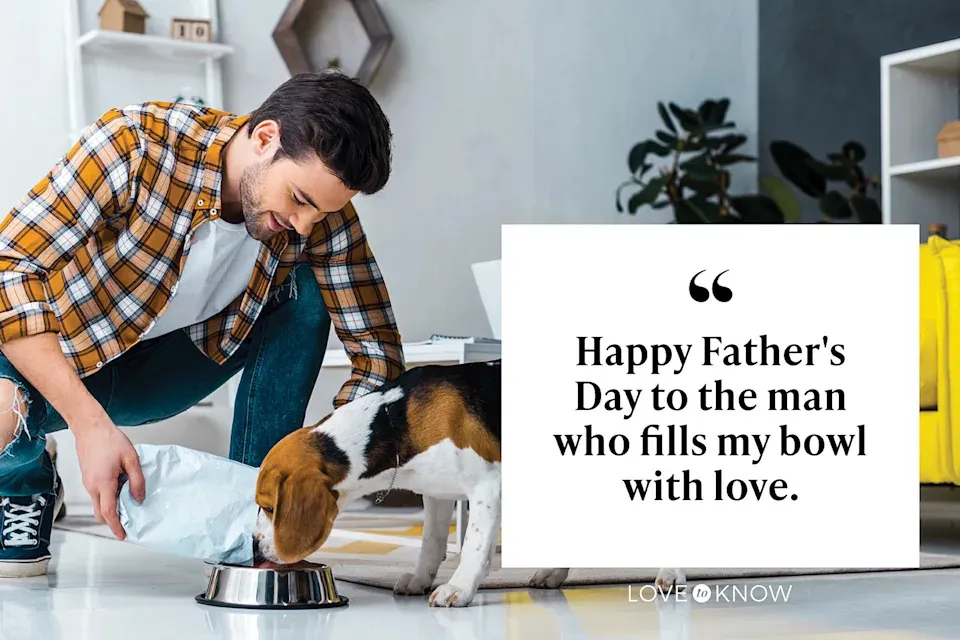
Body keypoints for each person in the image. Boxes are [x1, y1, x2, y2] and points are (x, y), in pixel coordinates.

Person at [0, 71, 405, 577]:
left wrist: (321, 463)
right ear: (265, 138)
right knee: (5, 418)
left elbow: (378, 355)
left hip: (162, 373)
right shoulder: (136, 144)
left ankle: (257, 522)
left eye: (321, 213)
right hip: (62, 352)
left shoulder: (318, 220)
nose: (305, 224)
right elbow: (9, 270)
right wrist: (89, 427)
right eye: (300, 200)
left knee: (306, 292)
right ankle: (25, 478)